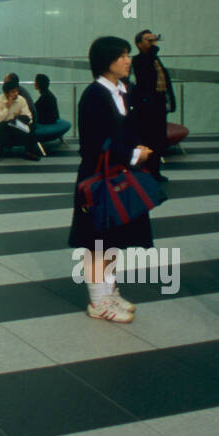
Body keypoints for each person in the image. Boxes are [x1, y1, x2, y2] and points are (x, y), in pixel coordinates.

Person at [70, 37, 154, 322]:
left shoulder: (123, 91)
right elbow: (94, 144)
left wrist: (138, 147)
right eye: (122, 56)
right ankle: (98, 301)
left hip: (117, 176)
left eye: (128, 55)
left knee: (113, 238)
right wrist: (132, 154)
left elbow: (129, 130)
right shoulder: (94, 95)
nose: (127, 61)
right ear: (106, 62)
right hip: (97, 179)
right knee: (96, 242)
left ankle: (109, 291)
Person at [130, 30, 174, 182]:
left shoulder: (155, 58)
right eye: (147, 40)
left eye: (152, 39)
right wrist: (154, 46)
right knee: (148, 140)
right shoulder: (139, 60)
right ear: (139, 44)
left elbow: (165, 80)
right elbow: (146, 75)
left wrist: (171, 101)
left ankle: (155, 171)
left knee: (159, 140)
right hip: (147, 107)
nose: (152, 42)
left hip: (159, 104)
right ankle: (146, 172)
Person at [0, 75, 38, 163]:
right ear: (6, 93)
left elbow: (28, 116)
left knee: (28, 127)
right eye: (13, 92)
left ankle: (29, 151)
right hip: (1, 124)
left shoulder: (21, 100)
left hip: (15, 123)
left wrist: (20, 120)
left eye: (16, 91)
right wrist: (7, 108)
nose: (16, 93)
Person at [32, 73, 71, 146]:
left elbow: (34, 109)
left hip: (47, 121)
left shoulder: (44, 97)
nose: (34, 83)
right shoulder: (48, 94)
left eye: (36, 82)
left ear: (39, 84)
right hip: (52, 119)